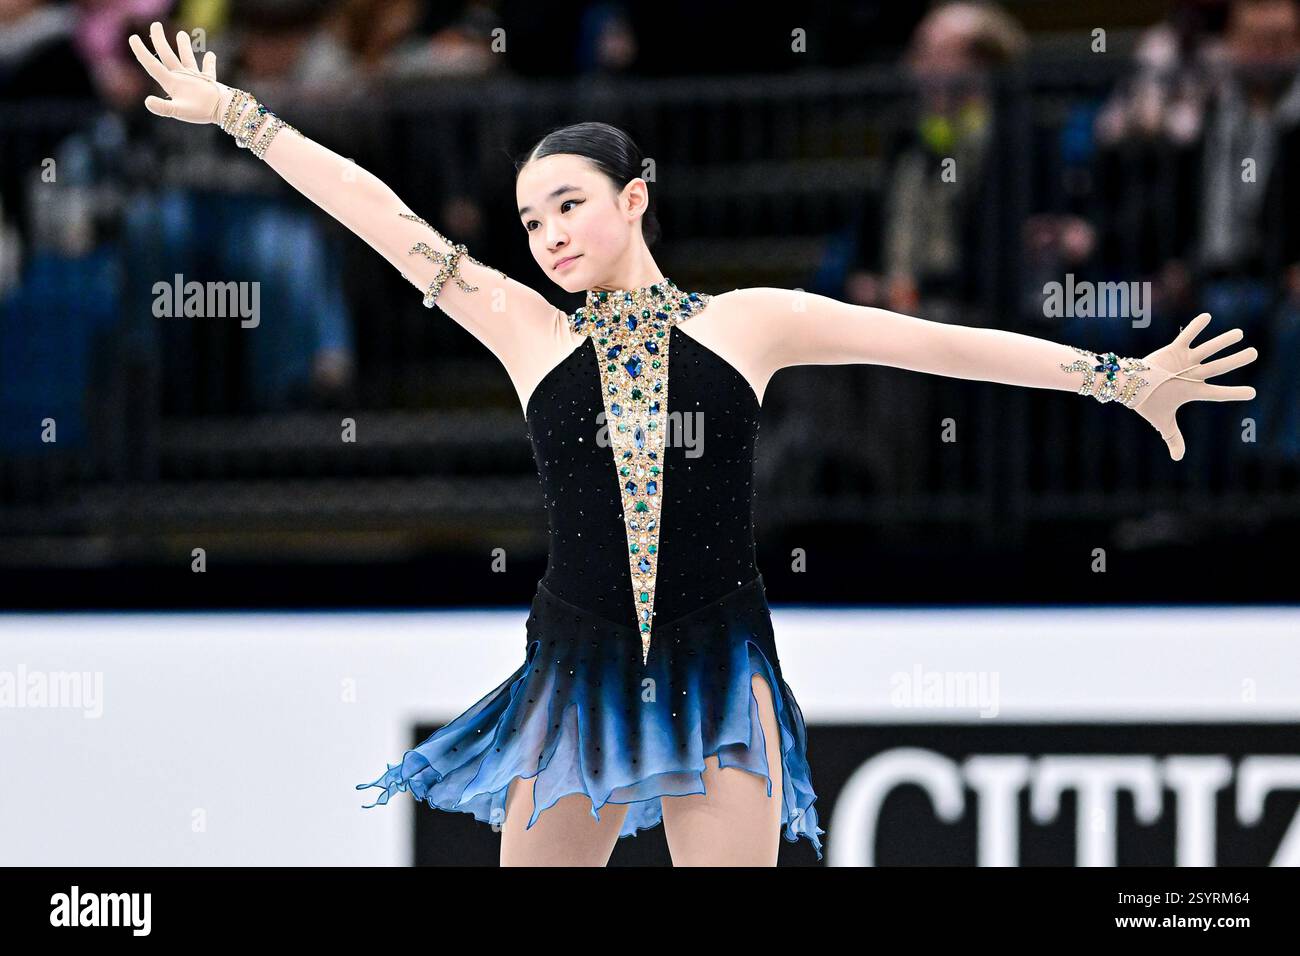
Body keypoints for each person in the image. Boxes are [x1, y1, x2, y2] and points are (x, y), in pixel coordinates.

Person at [128, 21, 1259, 866]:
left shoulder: (747, 323)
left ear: (633, 198)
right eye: (529, 219)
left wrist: (1121, 375)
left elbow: (937, 345)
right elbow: (382, 217)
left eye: (569, 204)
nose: (549, 235)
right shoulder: (525, 332)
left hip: (717, 665)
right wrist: (240, 115)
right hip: (575, 664)